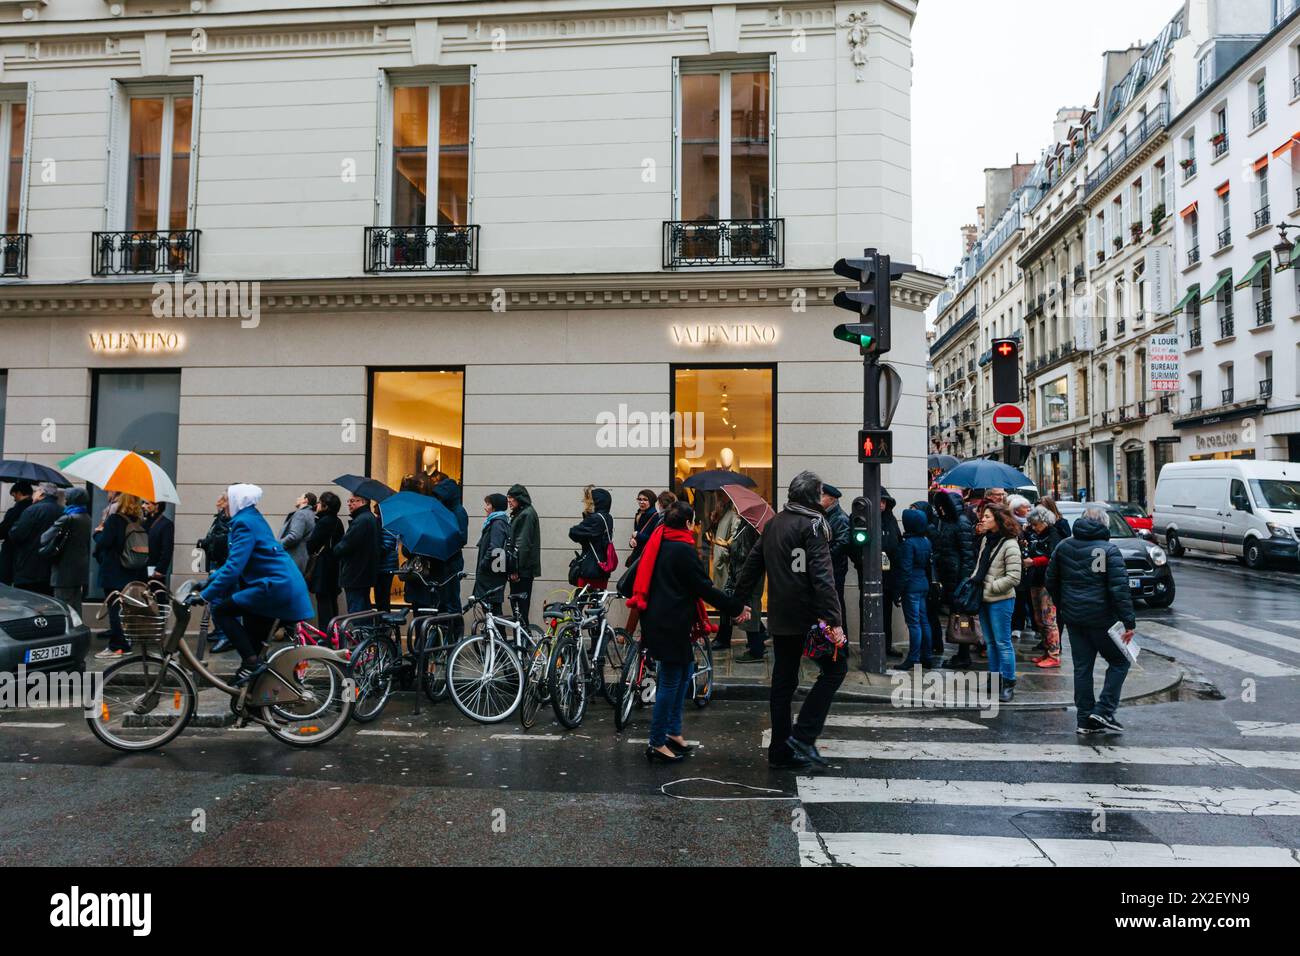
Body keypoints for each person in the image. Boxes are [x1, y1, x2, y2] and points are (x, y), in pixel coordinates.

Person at [732, 470, 846, 771]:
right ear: (811, 496)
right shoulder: (814, 524)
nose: (823, 498)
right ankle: (804, 736)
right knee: (836, 669)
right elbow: (823, 577)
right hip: (811, 618)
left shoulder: (773, 524)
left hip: (782, 617)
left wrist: (739, 602)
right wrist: (834, 622)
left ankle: (779, 751)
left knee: (783, 682)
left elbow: (751, 566)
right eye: (820, 493)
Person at [628, 500, 747, 763]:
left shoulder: (661, 542)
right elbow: (703, 587)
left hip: (664, 621)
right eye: (692, 521)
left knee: (685, 673)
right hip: (670, 623)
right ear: (687, 523)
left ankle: (672, 732)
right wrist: (736, 607)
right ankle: (657, 742)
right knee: (671, 681)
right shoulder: (682, 549)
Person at [196, 484, 315, 685]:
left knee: (222, 611)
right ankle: (255, 699)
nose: (224, 505)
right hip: (275, 586)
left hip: (273, 587)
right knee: (253, 647)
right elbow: (233, 563)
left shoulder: (244, 522)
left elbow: (234, 566)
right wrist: (207, 582)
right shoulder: (251, 517)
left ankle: (252, 665)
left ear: (237, 501)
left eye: (228, 500)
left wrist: (205, 595)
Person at [1046, 505, 1137, 735]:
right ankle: (1104, 709)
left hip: (1074, 618)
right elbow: (1119, 589)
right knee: (1120, 661)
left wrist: (1063, 604)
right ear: (1104, 525)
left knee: (1082, 668)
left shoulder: (1064, 546)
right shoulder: (1108, 550)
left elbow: (1051, 580)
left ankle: (1085, 719)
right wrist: (1128, 622)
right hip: (1102, 618)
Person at [971, 503, 1023, 702]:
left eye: (987, 517)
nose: (982, 519)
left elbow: (1014, 578)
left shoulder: (1010, 544)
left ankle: (1009, 683)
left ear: (999, 520)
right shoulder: (986, 539)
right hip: (983, 598)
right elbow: (980, 566)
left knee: (1003, 643)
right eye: (983, 516)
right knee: (990, 643)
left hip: (1000, 600)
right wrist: (974, 582)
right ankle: (994, 681)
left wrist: (990, 586)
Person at [92, 493, 150, 658]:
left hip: (114, 571)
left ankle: (118, 646)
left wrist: (97, 532)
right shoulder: (137, 520)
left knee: (114, 609)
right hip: (131, 572)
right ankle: (126, 641)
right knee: (125, 610)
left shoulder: (115, 520)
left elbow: (104, 542)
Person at [932, 490, 976, 669]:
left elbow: (967, 555)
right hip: (950, 576)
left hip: (958, 579)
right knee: (956, 615)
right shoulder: (946, 522)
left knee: (962, 617)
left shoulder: (961, 522)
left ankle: (964, 654)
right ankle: (961, 653)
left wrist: (964, 581)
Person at [725, 508, 768, 662]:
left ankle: (755, 651)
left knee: (749, 609)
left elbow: (747, 553)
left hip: (748, 575)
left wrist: (731, 548)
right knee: (751, 609)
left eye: (736, 509)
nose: (735, 510)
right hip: (746, 573)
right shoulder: (745, 525)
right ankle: (759, 642)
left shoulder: (749, 527)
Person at [896, 506, 936, 669]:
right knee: (923, 621)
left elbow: (905, 570)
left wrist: (898, 591)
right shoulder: (926, 541)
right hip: (923, 584)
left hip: (911, 586)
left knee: (914, 624)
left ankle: (913, 658)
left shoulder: (908, 544)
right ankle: (927, 657)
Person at [1025, 505, 1065, 668]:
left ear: (1044, 522)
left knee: (1049, 619)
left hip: (1047, 583)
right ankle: (1046, 650)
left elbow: (1053, 557)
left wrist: (1034, 561)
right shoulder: (1037, 535)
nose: (1034, 527)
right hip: (1036, 580)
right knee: (1039, 619)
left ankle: (1054, 655)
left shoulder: (1054, 534)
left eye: (1036, 524)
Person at [8, 482, 63, 594]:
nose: (33, 494)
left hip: (29, 567)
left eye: (36, 491)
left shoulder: (32, 510)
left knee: (27, 603)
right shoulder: (62, 511)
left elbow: (16, 534)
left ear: (42, 493)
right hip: (51, 569)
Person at [45, 486, 92, 616]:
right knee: (76, 604)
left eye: (67, 497)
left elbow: (45, 537)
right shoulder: (87, 518)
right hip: (79, 568)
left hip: (64, 569)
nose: (65, 500)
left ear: (72, 499)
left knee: (63, 605)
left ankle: (68, 632)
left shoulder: (68, 518)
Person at [429, 477, 469, 620]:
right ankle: (447, 631)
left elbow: (461, 538)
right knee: (443, 601)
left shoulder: (458, 512)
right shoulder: (447, 511)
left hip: (451, 563)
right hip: (443, 562)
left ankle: (455, 632)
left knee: (451, 601)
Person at [334, 493, 380, 614]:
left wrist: (336, 549)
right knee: (363, 609)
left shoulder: (361, 520)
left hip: (356, 573)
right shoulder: (369, 517)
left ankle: (359, 632)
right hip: (363, 572)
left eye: (353, 501)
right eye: (349, 501)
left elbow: (346, 545)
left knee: (356, 611)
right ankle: (364, 632)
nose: (349, 503)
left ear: (363, 502)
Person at [305, 491, 344, 631]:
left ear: (326, 506)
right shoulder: (338, 522)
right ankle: (334, 632)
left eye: (320, 503)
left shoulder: (323, 522)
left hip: (323, 566)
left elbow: (311, 544)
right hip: (334, 566)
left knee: (323, 601)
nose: (318, 505)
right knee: (332, 600)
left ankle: (325, 634)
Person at [707, 497, 740, 650]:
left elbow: (734, 541)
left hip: (726, 567)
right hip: (721, 566)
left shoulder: (733, 517)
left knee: (726, 603)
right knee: (724, 603)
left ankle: (724, 638)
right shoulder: (722, 516)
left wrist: (723, 546)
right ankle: (760, 632)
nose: (716, 503)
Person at [507, 484, 541, 625]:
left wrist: (515, 569)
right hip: (523, 569)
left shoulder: (526, 514)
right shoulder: (523, 513)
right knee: (519, 608)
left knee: (520, 609)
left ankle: (523, 642)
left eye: (511, 498)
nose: (509, 502)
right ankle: (521, 641)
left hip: (522, 571)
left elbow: (522, 545)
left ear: (519, 499)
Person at [568, 485, 614, 589]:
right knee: (596, 600)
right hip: (602, 564)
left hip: (591, 565)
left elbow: (573, 533)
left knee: (580, 600)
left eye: (589, 501)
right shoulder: (607, 517)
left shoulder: (595, 519)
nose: (586, 503)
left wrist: (587, 516)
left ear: (596, 502)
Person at [475, 493, 513, 615]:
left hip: (491, 575)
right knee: (492, 611)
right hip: (494, 572)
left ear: (495, 507)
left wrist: (483, 564)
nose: (485, 507)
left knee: (492, 611)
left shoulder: (497, 523)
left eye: (488, 504)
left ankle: (498, 634)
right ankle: (495, 634)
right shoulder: (499, 521)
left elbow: (495, 548)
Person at [821, 484, 851, 625]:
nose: (820, 498)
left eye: (822, 496)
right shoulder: (827, 515)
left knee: (836, 604)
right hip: (831, 567)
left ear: (831, 499)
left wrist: (825, 557)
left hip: (835, 568)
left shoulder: (839, 517)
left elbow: (843, 542)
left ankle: (841, 643)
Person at [1006, 494, 1035, 641]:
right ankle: (1015, 625)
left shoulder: (1030, 525)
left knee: (1023, 597)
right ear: (1016, 510)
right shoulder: (1012, 525)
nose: (1029, 509)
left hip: (1027, 567)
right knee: (1017, 597)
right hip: (1016, 565)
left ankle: (1021, 625)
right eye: (1025, 507)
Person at [880, 489, 902, 657]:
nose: (881, 505)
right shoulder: (863, 519)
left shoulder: (890, 520)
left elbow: (896, 544)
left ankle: (886, 645)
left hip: (888, 575)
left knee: (886, 613)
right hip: (871, 575)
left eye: (884, 502)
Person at [0, 480, 34, 586]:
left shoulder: (15, 510)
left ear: (19, 493)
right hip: (29, 554)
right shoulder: (35, 508)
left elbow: (3, 531)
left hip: (11, 551)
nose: (14, 499)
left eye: (14, 495)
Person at [278, 492, 317, 574]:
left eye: (300, 497)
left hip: (293, 558)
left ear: (305, 500)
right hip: (302, 558)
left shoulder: (301, 514)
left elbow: (294, 536)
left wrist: (279, 544)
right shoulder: (311, 514)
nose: (297, 498)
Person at [374, 503, 399, 613]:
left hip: (385, 566)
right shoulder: (382, 521)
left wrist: (374, 553)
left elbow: (387, 545)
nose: (374, 507)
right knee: (380, 597)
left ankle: (384, 625)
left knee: (382, 598)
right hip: (385, 565)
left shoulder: (387, 523)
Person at [143, 500, 174, 585]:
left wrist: (160, 569)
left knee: (156, 594)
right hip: (141, 568)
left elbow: (167, 549)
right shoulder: (144, 522)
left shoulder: (166, 524)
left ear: (156, 506)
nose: (143, 506)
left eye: (147, 503)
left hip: (155, 570)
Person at [627, 489, 657, 562]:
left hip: (647, 555)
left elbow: (654, 538)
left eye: (645, 500)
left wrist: (638, 535)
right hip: (638, 553)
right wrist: (632, 541)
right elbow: (637, 533)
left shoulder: (654, 515)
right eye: (639, 499)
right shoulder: (639, 513)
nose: (641, 502)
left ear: (651, 501)